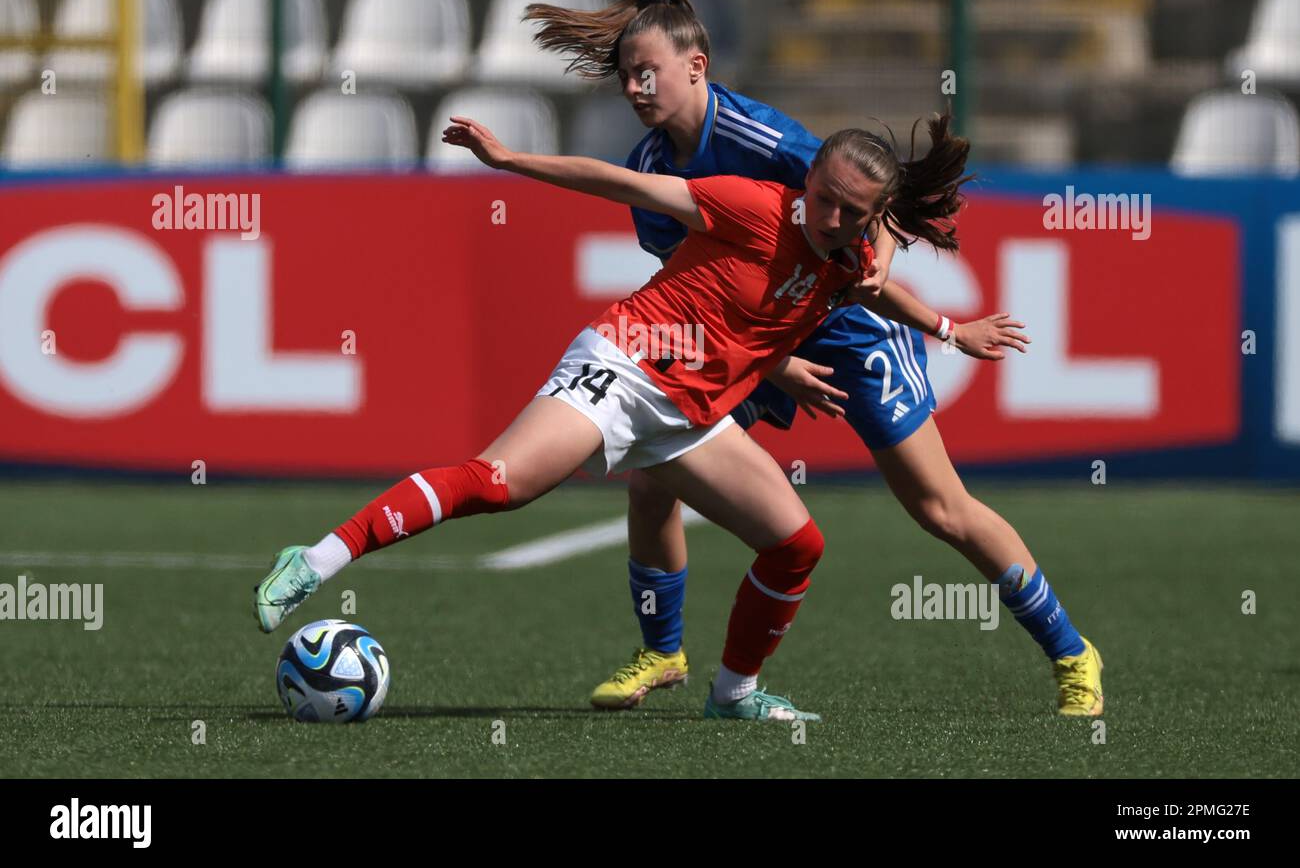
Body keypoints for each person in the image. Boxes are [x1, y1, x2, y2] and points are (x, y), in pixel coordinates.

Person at [253, 107, 1018, 721]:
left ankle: (734, 696)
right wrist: (510, 161)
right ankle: (315, 559)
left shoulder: (854, 254)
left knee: (797, 547)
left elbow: (876, 283)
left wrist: (950, 330)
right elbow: (621, 184)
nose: (832, 217)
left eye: (853, 212)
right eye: (824, 198)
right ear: (806, 180)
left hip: (691, 415)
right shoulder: (754, 206)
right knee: (499, 484)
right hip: (624, 366)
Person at [525, 0, 1103, 717]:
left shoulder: (759, 136)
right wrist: (775, 364)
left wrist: (884, 266)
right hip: (761, 334)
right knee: (651, 480)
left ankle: (1073, 654)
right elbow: (703, 294)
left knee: (940, 508)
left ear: (695, 67)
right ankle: (663, 650)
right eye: (628, 75)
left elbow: (873, 190)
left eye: (651, 72)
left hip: (850, 326)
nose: (637, 88)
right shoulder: (650, 173)